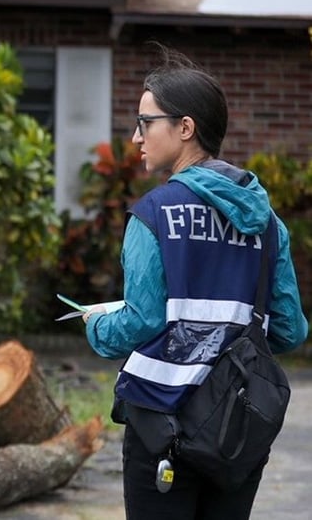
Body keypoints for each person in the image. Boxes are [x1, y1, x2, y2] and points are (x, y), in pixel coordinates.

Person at [80, 46, 308, 520]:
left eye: (146, 122)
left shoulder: (153, 215)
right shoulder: (267, 224)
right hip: (238, 427)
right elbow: (289, 330)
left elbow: (141, 321)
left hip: (162, 425)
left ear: (185, 128)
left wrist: (95, 327)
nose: (136, 136)